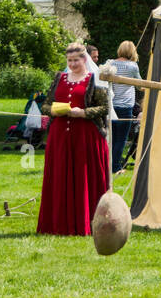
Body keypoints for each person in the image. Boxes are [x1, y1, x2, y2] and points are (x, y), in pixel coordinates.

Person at [37, 41, 110, 235]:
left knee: (84, 178)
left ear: (84, 59)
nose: (72, 64)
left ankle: (88, 223)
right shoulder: (59, 78)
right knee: (60, 177)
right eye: (69, 60)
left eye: (76, 60)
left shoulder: (95, 79)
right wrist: (53, 110)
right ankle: (58, 224)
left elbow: (105, 108)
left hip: (86, 137)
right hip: (60, 136)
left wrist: (83, 112)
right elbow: (45, 105)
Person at [107, 40, 141, 174]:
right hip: (126, 106)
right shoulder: (133, 66)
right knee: (121, 139)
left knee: (113, 138)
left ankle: (108, 165)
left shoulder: (111, 64)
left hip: (112, 104)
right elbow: (139, 84)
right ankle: (115, 167)